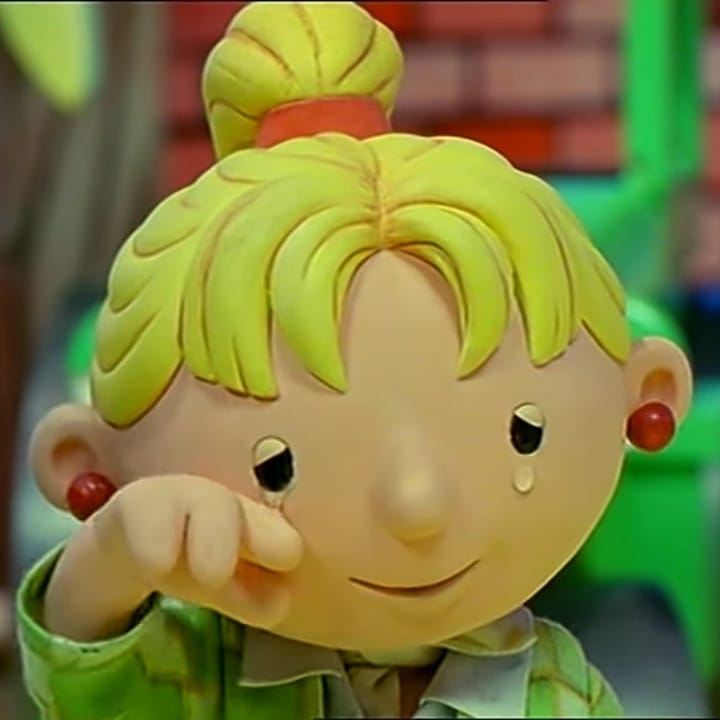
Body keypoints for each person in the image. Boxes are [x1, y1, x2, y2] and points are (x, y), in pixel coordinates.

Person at [17, 2, 692, 718]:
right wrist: (109, 562)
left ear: (649, 397)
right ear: (86, 467)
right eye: (277, 467)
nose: (416, 505)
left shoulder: (560, 696)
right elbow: (82, 685)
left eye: (522, 432)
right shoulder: (193, 673)